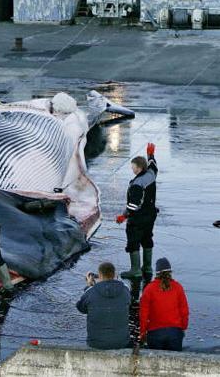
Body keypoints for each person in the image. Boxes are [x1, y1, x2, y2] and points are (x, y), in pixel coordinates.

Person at [116, 143, 158, 279]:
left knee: (133, 241)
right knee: (147, 239)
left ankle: (135, 270)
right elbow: (154, 165)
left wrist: (124, 216)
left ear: (139, 168)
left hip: (138, 219)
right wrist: (150, 154)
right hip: (150, 215)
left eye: (133, 167)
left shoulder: (137, 184)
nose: (132, 169)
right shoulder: (151, 174)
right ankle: (147, 268)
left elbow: (133, 205)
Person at [76, 262, 131, 350]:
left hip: (96, 343)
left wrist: (89, 286)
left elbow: (81, 308)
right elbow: (128, 303)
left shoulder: (91, 291)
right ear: (114, 274)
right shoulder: (125, 290)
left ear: (100, 275)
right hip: (121, 342)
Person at [140, 258, 189, 351]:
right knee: (174, 362)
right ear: (170, 271)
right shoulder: (178, 287)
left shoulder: (149, 289)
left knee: (156, 362)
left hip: (155, 332)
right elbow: (184, 310)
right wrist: (183, 327)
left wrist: (142, 332)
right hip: (175, 332)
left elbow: (143, 314)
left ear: (157, 272)